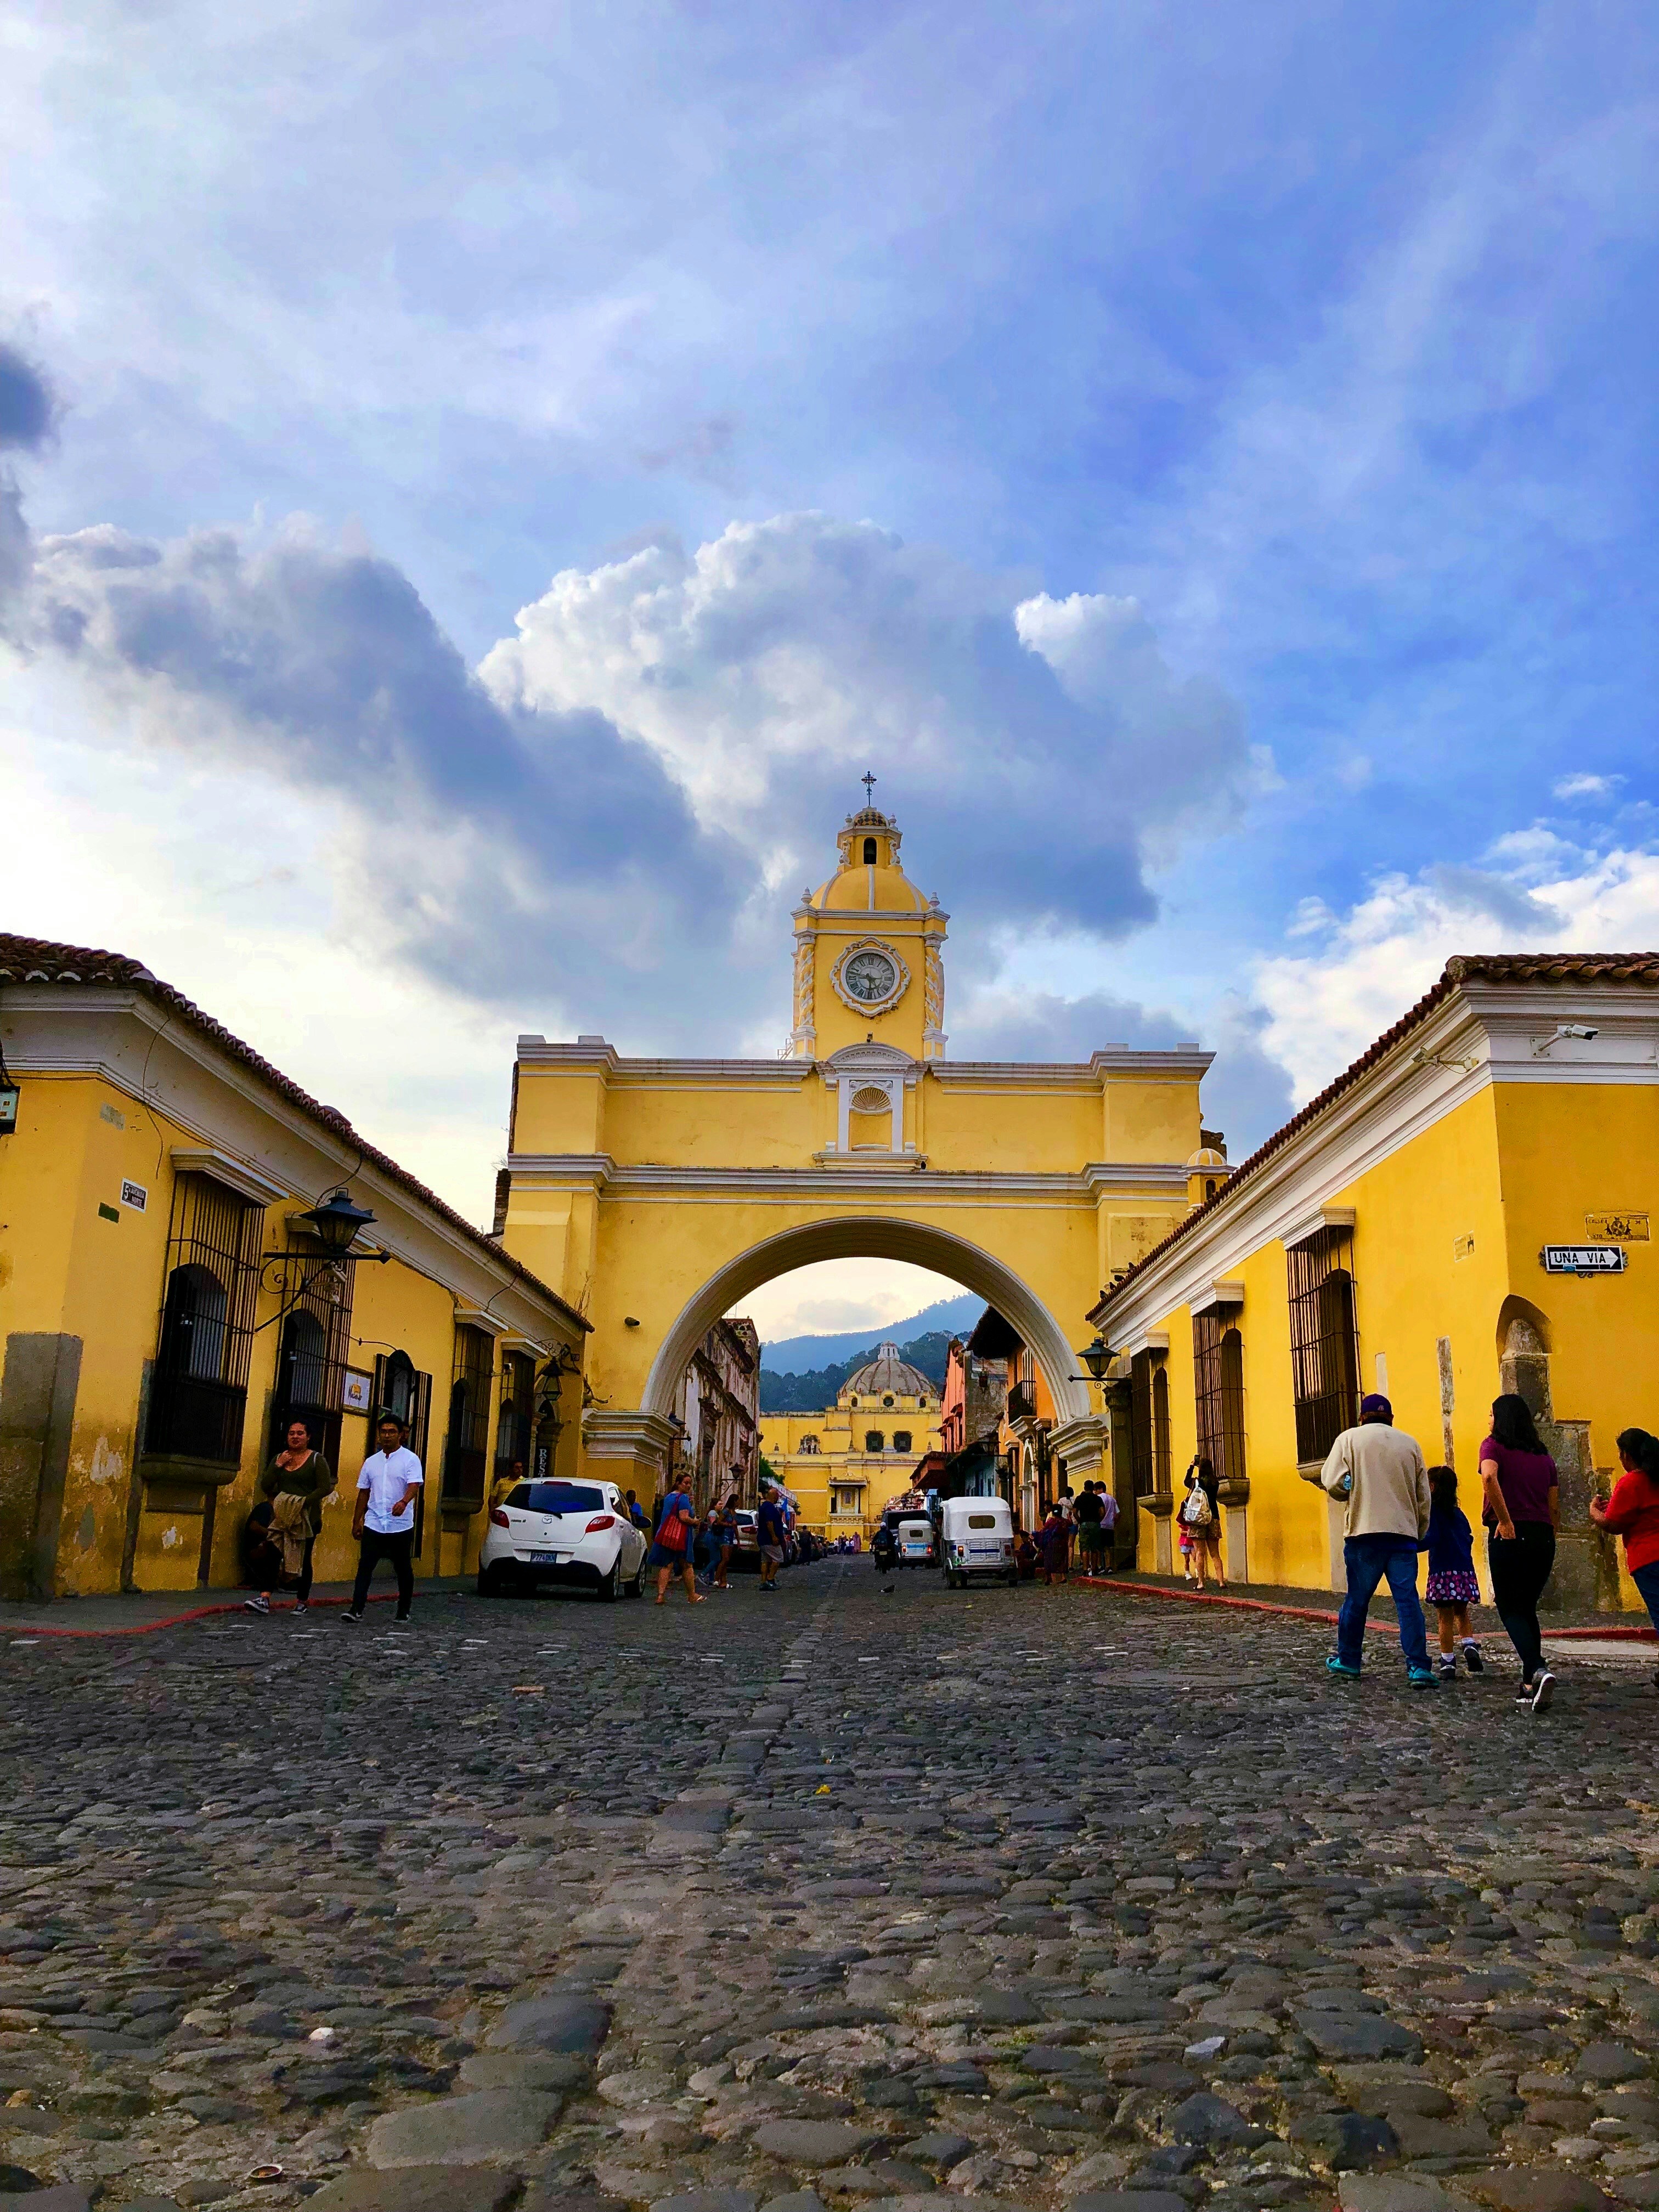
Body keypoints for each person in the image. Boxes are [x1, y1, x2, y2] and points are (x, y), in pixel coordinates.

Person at [1321, 1393, 1435, 1686]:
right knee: (1407, 1602)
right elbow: (1424, 1496)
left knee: (1357, 1601)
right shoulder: (1410, 1444)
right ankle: (1419, 1667)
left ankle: (1348, 1660)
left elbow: (1332, 1481)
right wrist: (1420, 1531)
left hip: (1364, 1533)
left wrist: (1349, 1490)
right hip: (1402, 1536)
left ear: (1362, 1417)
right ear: (1391, 1419)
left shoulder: (1349, 1440)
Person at [1480, 1393, 1559, 1712]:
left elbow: (1488, 1476)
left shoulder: (1493, 1446)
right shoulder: (1544, 1457)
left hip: (1509, 1534)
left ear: (1501, 1419)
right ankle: (1530, 1684)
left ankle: (1538, 1668)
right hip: (1542, 1537)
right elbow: (1554, 1505)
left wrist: (1506, 1520)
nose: (1488, 1420)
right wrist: (1550, 1536)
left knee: (1510, 1608)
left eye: (1491, 1414)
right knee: (1527, 1608)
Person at [245, 1418, 336, 1616]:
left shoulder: (316, 1460)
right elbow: (266, 1486)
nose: (295, 1437)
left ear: (308, 1437)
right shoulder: (280, 1458)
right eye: (291, 1433)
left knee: (304, 1560)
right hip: (283, 1518)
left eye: (300, 1433)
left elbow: (325, 1487)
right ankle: (265, 1598)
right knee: (271, 1554)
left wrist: (302, 1501)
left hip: (307, 1520)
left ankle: (302, 1601)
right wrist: (277, 1466)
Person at [1591, 1429, 1659, 1675]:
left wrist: (1595, 1514)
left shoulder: (1631, 1481)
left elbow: (1614, 1524)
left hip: (1648, 1558)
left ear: (1627, 1455)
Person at [344, 1413, 423, 1624]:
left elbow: (414, 1485)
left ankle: (403, 1609)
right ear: (379, 1435)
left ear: (400, 1435)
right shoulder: (371, 1462)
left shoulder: (410, 1459)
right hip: (374, 1522)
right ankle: (356, 1609)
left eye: (392, 1432)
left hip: (400, 1524)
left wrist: (404, 1502)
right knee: (365, 1567)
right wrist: (356, 1520)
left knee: (403, 1568)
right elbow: (363, 1492)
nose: (387, 1436)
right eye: (384, 1432)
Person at [1424, 1465, 1483, 1678]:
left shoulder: (1433, 1514)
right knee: (1462, 1612)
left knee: (1444, 1619)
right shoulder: (1459, 1514)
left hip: (1442, 1571)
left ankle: (1448, 1661)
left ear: (1431, 1487)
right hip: (1464, 1571)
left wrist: (1413, 1545)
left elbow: (1430, 1538)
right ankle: (1469, 1645)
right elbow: (1468, 1537)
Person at [651, 1476, 704, 1605]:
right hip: (681, 1536)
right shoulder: (683, 1498)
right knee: (687, 1565)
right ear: (678, 1484)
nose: (689, 1486)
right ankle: (692, 1595)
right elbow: (684, 1517)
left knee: (667, 1565)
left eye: (690, 1483)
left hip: (667, 1535)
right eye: (686, 1483)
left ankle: (660, 1596)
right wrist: (695, 1522)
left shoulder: (669, 1497)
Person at [1181, 1455, 1226, 1592]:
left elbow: (1185, 1482)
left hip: (1198, 1519)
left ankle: (1201, 1583)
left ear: (1199, 1468)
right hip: (1213, 1518)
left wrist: (1191, 1467)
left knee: (1200, 1552)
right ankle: (1221, 1582)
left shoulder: (1196, 1482)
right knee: (1215, 1553)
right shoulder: (1215, 1483)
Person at [757, 1484, 787, 1590]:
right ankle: (770, 1579)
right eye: (777, 1496)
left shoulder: (763, 1507)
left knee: (765, 1560)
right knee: (778, 1558)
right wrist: (774, 1536)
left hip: (762, 1538)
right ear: (774, 1496)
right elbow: (769, 1522)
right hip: (770, 1539)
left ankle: (763, 1582)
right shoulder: (770, 1508)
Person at [1074, 1481, 1105, 1577]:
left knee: (1085, 1548)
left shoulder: (1080, 1498)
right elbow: (1103, 1512)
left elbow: (1075, 1512)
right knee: (1095, 1548)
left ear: (1085, 1487)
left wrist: (1080, 1521)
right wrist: (1098, 1520)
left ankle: (1085, 1569)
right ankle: (1094, 1569)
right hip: (1095, 1524)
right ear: (1093, 1488)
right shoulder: (1098, 1499)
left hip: (1084, 1524)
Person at [1037, 1501, 1070, 1585]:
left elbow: (1044, 1531)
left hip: (1051, 1543)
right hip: (1063, 1543)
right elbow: (1071, 1523)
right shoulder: (1064, 1522)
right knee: (1062, 1559)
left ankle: (1049, 1578)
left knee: (1049, 1560)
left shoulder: (1051, 1521)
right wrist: (1069, 1516)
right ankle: (1063, 1577)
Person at [715, 1491, 738, 1589]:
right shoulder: (726, 1511)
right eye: (738, 1501)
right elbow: (719, 1522)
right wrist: (729, 1525)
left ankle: (724, 1581)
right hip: (724, 1536)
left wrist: (739, 1540)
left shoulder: (735, 1513)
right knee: (725, 1559)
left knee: (727, 1560)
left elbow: (736, 1527)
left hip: (731, 1537)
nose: (739, 1503)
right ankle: (716, 1578)